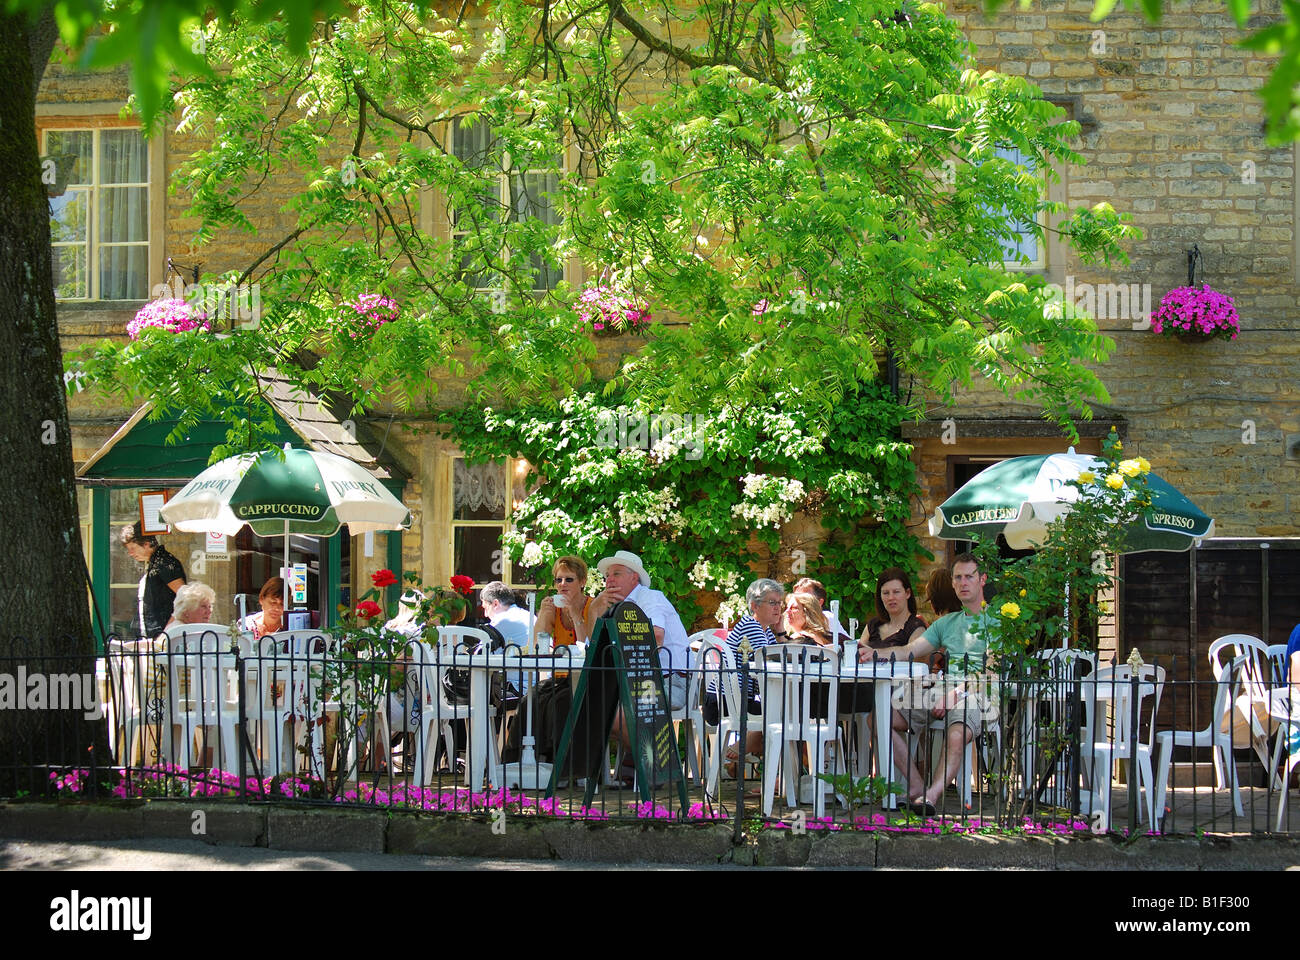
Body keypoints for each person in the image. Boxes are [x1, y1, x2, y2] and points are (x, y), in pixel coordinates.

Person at [888, 554, 999, 815]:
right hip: (942, 691)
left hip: (979, 695)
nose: (963, 583)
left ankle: (931, 795)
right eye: (958, 577)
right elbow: (909, 651)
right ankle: (916, 788)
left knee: (957, 731)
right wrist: (873, 652)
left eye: (969, 576)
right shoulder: (946, 623)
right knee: (881, 718)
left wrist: (956, 694)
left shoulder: (998, 622)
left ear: (982, 580)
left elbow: (990, 672)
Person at [590, 550, 693, 780]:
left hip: (673, 682)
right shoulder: (618, 606)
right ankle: (641, 766)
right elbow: (597, 644)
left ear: (634, 577)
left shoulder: (650, 598)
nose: (609, 580)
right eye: (607, 575)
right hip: (641, 683)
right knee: (594, 708)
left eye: (616, 573)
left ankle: (655, 766)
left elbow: (655, 637)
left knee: (615, 715)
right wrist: (596, 608)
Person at [707, 578, 786, 775]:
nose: (778, 608)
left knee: (786, 713)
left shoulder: (765, 631)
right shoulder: (751, 625)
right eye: (772, 602)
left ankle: (742, 751)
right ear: (754, 606)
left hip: (737, 700)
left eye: (779, 602)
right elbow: (770, 660)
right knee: (785, 714)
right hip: (724, 702)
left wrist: (781, 631)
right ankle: (738, 748)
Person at [119, 522, 186, 639]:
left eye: (133, 548)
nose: (130, 553)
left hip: (163, 637)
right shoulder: (156, 562)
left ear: (146, 544)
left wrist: (166, 633)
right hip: (153, 636)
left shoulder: (164, 562)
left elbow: (185, 598)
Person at [861, 568, 928, 653]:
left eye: (896, 592)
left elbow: (913, 662)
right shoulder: (873, 625)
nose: (891, 598)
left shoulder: (916, 628)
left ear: (907, 593)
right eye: (886, 593)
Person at [793, 577, 848, 642]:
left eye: (806, 598)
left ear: (819, 602)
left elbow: (848, 644)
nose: (798, 602)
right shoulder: (788, 617)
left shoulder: (827, 618)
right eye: (796, 598)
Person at [482, 581, 530, 649]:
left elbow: (480, 653)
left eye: (486, 608)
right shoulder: (529, 615)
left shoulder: (501, 621)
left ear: (495, 604)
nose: (485, 614)